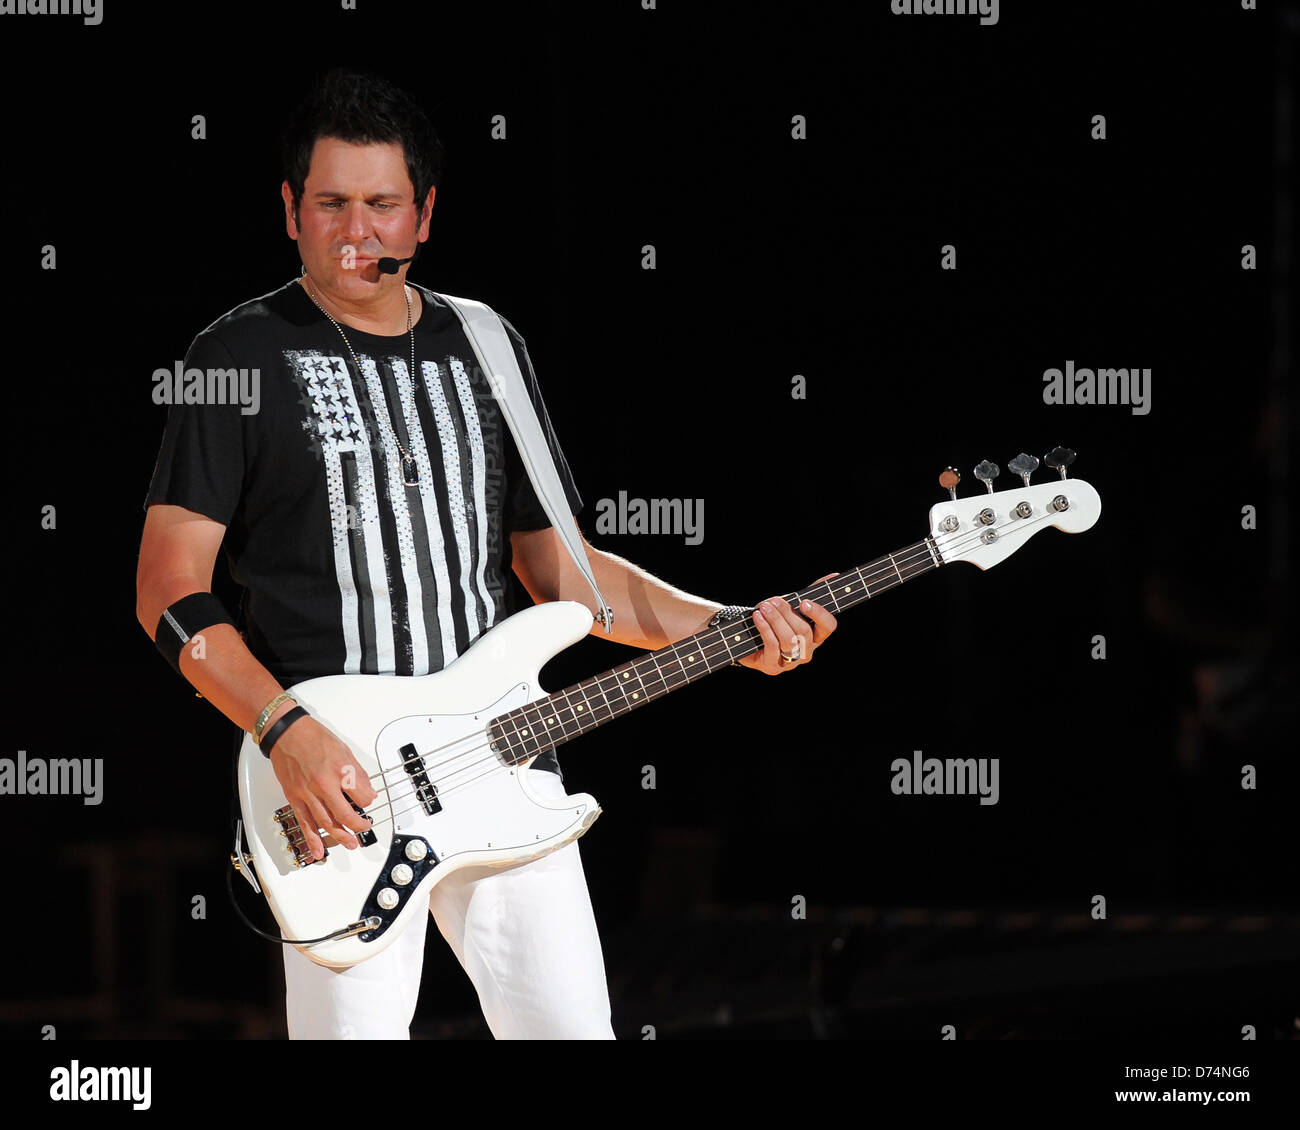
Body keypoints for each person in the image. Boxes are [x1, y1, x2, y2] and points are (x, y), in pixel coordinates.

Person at [134, 68, 839, 1040]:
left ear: (423, 215)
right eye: (330, 202)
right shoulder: (236, 355)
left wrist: (728, 628)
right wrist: (284, 729)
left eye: (382, 205)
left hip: (506, 762)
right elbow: (168, 590)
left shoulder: (490, 344)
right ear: (289, 208)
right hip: (342, 792)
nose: (356, 231)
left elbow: (563, 578)